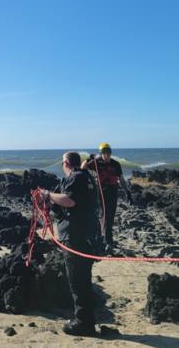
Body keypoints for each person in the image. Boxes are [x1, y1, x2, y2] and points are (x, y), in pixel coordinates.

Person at [38, 151, 100, 336]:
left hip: (76, 237)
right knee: (83, 280)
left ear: (65, 163)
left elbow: (69, 200)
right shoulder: (86, 177)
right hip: (86, 235)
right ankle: (85, 318)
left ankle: (83, 323)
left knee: (77, 280)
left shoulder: (76, 178)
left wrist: (48, 195)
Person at [82, 142, 134, 254]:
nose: (107, 155)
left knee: (110, 218)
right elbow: (82, 168)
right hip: (100, 193)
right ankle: (104, 241)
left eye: (109, 152)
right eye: (104, 153)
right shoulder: (96, 163)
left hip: (113, 193)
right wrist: (88, 159)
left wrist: (127, 192)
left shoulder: (116, 164)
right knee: (103, 216)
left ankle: (108, 241)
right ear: (101, 153)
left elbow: (122, 179)